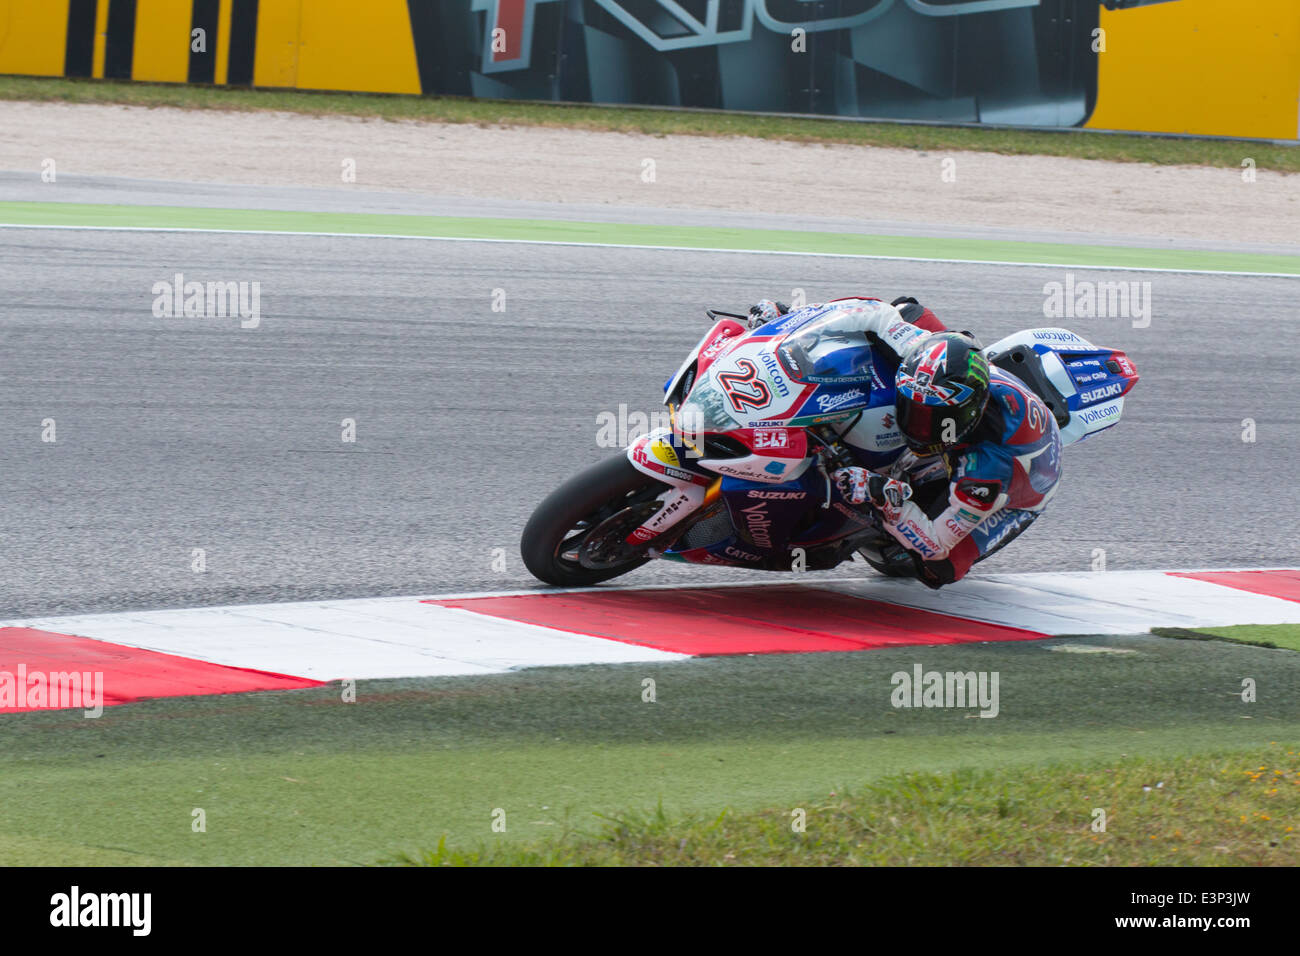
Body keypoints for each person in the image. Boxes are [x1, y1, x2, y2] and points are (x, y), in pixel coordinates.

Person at [748, 296, 1062, 589]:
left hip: (1027, 482)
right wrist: (792, 321)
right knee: (904, 309)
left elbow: (936, 546)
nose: (916, 426)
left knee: (938, 569)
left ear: (963, 417)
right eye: (913, 409)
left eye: (932, 419)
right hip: (982, 397)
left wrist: (883, 497)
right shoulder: (919, 348)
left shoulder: (987, 469)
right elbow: (871, 312)